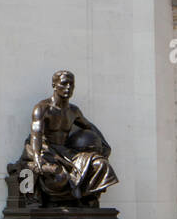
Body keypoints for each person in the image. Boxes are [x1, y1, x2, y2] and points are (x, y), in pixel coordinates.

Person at [14, 70, 118, 206]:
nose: (68, 87)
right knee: (59, 176)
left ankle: (88, 197)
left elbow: (89, 126)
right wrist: (37, 157)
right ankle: (53, 200)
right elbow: (36, 135)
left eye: (71, 84)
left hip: (65, 151)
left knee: (100, 164)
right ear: (54, 85)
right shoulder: (42, 108)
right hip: (47, 150)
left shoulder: (74, 111)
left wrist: (104, 145)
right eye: (64, 83)